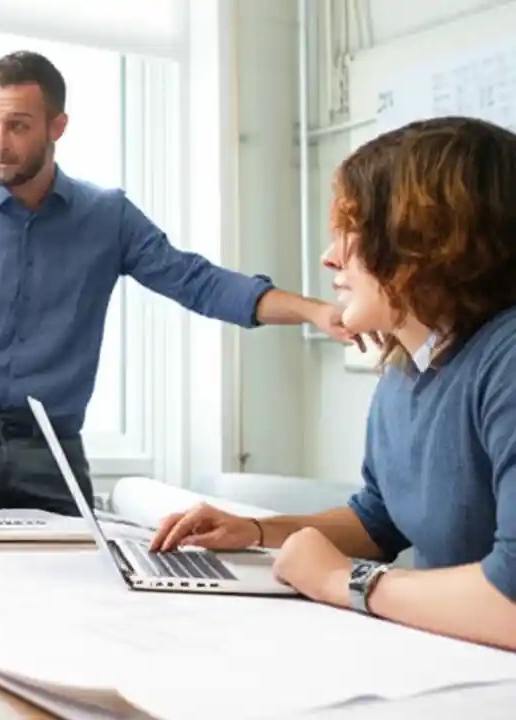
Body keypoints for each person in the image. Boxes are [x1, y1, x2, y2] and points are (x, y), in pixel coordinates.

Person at [0, 50, 360, 516]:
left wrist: (315, 312)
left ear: (57, 127)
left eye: (18, 126)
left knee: (83, 584)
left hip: (53, 452)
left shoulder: (107, 217)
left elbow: (197, 282)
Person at [151, 116, 516, 650]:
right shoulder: (405, 373)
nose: (330, 256)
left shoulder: (505, 359)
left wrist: (341, 581)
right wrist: (255, 531)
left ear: (427, 241)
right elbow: (378, 521)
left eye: (353, 230)